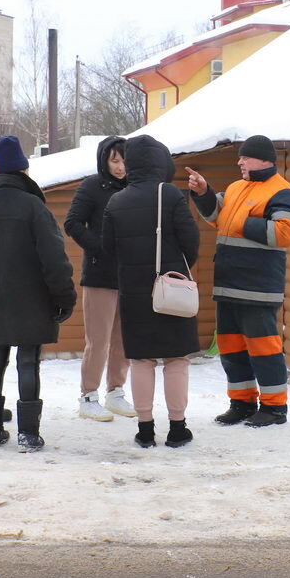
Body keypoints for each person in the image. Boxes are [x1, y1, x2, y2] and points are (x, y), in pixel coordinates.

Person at [0, 135, 76, 451]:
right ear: (23, 171)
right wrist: (64, 297)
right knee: (27, 360)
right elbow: (54, 259)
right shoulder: (33, 207)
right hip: (33, 299)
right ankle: (29, 434)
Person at [185, 134, 290, 427]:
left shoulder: (283, 192)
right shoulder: (237, 188)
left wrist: (239, 223)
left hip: (259, 288)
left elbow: (285, 234)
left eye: (244, 157)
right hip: (228, 284)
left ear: (264, 159)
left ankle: (275, 409)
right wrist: (203, 192)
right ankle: (242, 403)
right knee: (231, 348)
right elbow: (215, 215)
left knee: (264, 350)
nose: (239, 162)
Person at [102, 135, 200, 448]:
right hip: (170, 288)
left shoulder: (116, 200)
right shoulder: (169, 194)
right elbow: (191, 240)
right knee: (176, 360)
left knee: (141, 360)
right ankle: (177, 428)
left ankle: (145, 429)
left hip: (133, 292)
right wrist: (178, 269)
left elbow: (107, 249)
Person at [63, 135, 137, 422]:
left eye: (124, 160)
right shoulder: (92, 186)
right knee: (99, 340)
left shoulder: (135, 187)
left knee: (124, 338)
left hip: (129, 274)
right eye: (114, 160)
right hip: (100, 274)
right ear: (104, 161)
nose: (120, 167)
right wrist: (99, 247)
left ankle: (116, 391)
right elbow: (72, 222)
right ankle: (88, 395)